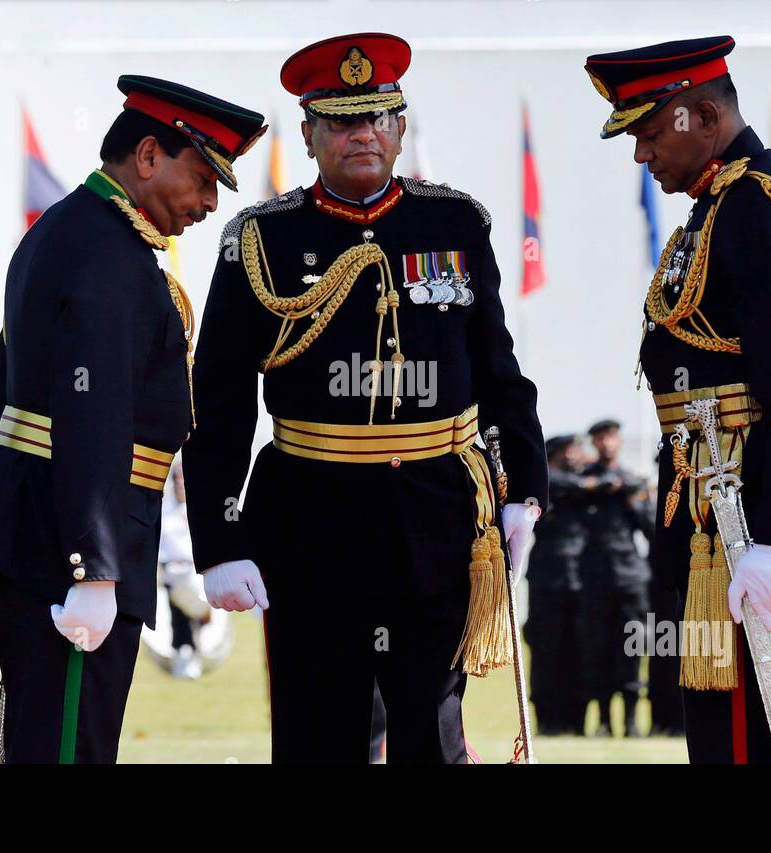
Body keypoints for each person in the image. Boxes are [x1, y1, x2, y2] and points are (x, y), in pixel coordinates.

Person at [184, 32, 548, 764]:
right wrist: (220, 542)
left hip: (438, 518)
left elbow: (499, 372)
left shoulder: (455, 223)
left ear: (401, 129)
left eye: (380, 117)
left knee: (432, 735)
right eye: (344, 121)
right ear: (310, 133)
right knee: (319, 734)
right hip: (310, 521)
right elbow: (219, 400)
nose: (365, 134)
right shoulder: (260, 238)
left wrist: (523, 492)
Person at [0, 77, 266, 763]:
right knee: (67, 750)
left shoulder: (75, 232)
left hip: (50, 531)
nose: (210, 203)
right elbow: (92, 414)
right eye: (204, 176)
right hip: (74, 547)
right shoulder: (106, 252)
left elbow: (15, 388)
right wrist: (91, 570)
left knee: (51, 744)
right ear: (148, 155)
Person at [585, 35, 771, 763]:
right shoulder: (715, 207)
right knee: (719, 733)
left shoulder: (758, 204)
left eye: (645, 132)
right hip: (711, 511)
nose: (641, 155)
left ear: (700, 114)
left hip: (746, 516)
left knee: (746, 736)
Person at [580, 419, 654, 738]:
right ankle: (605, 722)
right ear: (594, 443)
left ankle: (631, 723)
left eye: (611, 437)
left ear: (619, 441)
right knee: (596, 650)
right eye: (600, 438)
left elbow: (651, 529)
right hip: (594, 578)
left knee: (631, 649)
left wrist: (633, 496)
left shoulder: (631, 482)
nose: (606, 443)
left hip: (629, 579)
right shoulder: (583, 483)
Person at [524, 435, 596, 736]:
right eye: (571, 450)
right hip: (548, 582)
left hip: (580, 582)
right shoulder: (546, 485)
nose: (578, 455)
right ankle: (548, 721)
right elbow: (556, 483)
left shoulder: (587, 485)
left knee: (580, 652)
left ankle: (577, 721)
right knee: (546, 651)